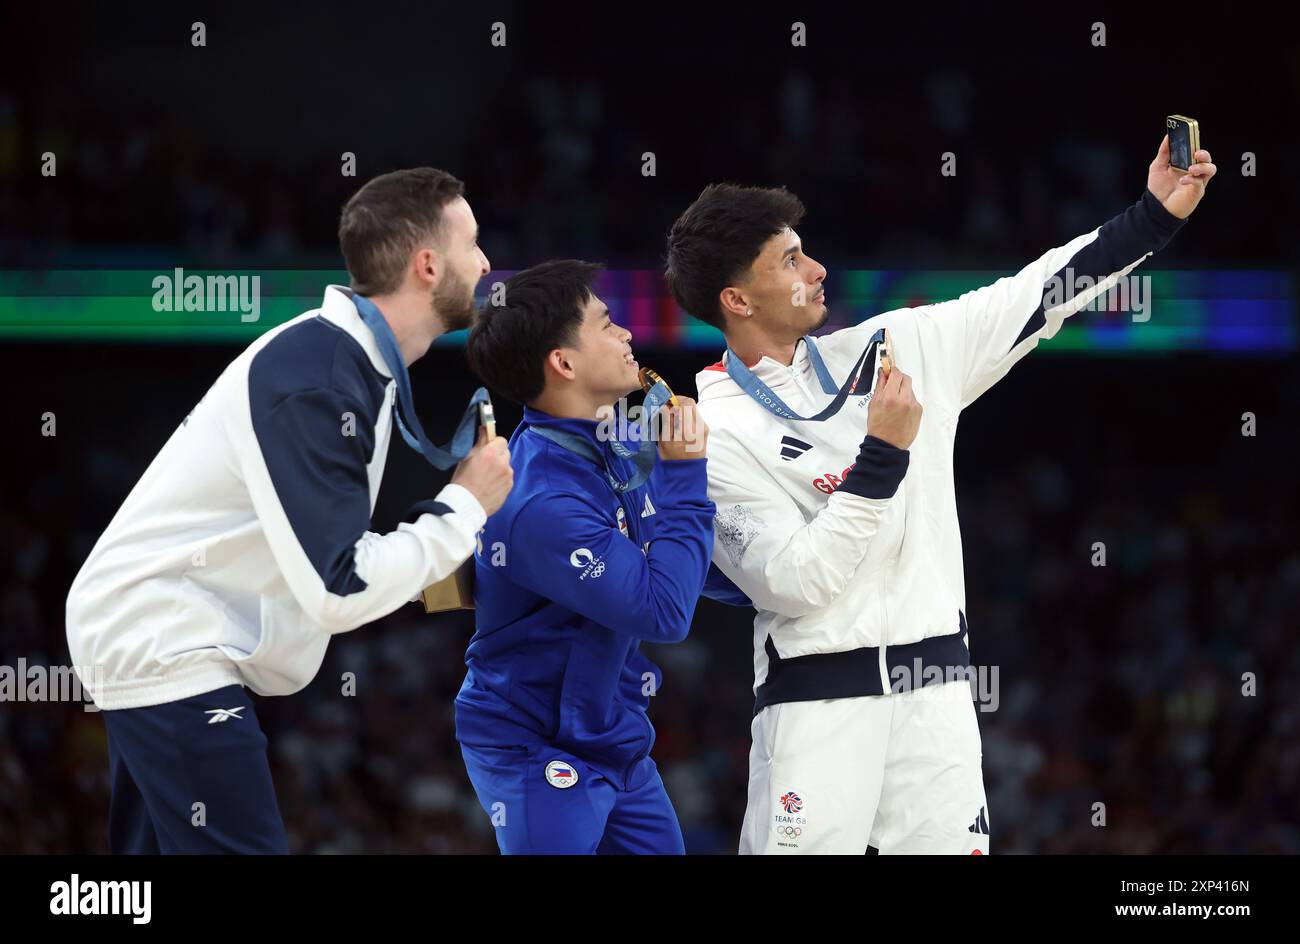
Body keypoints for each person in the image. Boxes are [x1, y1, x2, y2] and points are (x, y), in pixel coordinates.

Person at [665, 135, 1216, 854]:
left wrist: (1149, 217)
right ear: (736, 298)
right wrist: (883, 455)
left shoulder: (900, 344)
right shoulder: (711, 430)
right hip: (817, 709)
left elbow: (1032, 299)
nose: (819, 268)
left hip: (940, 705)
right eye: (792, 261)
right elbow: (794, 580)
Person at [65, 167, 514, 853]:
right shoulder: (322, 377)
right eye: (473, 244)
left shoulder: (346, 360)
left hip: (153, 632)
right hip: (167, 639)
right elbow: (339, 586)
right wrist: (463, 507)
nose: (485, 263)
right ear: (427, 265)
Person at [457, 260, 713, 854]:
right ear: (564, 363)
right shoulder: (542, 501)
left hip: (614, 737)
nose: (627, 335)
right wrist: (686, 472)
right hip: (535, 747)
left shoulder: (611, 445)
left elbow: (678, 560)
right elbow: (663, 612)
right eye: (606, 324)